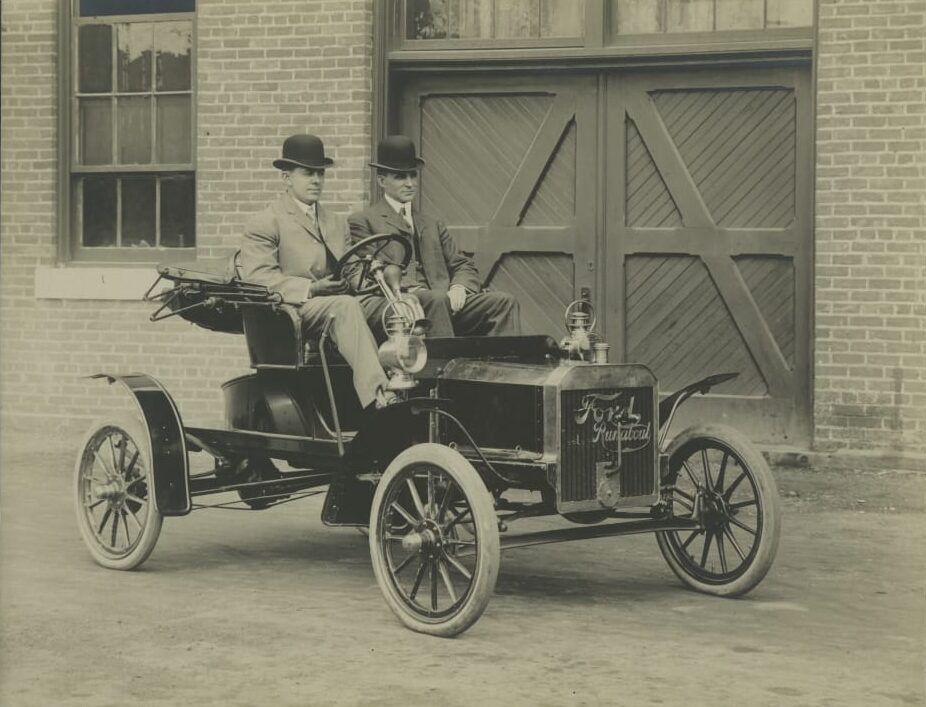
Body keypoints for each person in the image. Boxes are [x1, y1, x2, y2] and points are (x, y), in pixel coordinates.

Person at [239, 134, 394, 409]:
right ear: (286, 178)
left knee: (395, 308)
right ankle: (379, 394)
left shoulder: (335, 222)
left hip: (333, 303)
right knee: (345, 306)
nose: (316, 181)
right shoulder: (266, 221)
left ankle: (411, 384)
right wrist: (311, 289)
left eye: (320, 173)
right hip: (292, 310)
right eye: (308, 173)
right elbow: (259, 280)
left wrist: (377, 276)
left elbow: (352, 272)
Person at [347, 135, 521, 341]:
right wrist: (421, 290)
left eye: (413, 175)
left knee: (503, 302)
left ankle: (502, 371)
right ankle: (444, 370)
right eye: (400, 177)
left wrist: (459, 287)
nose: (410, 183)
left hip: (445, 299)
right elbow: (374, 272)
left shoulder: (431, 223)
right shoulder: (363, 220)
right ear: (382, 181)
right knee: (436, 299)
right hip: (405, 303)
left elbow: (462, 263)